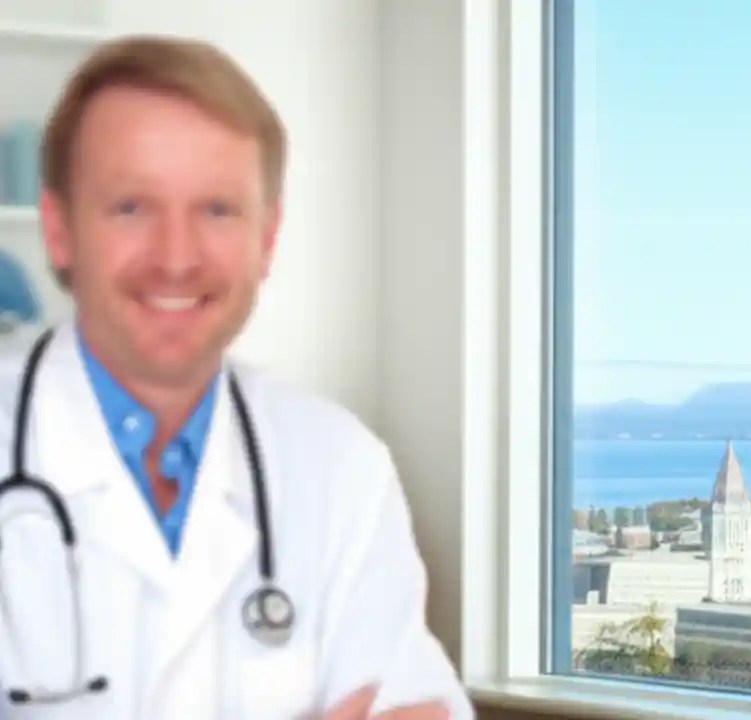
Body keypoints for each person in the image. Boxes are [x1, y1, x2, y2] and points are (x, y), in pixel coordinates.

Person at [0, 35, 473, 719]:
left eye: (217, 210)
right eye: (132, 206)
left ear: (267, 239)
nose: (176, 257)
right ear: (60, 229)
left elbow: (414, 707)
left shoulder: (340, 467)